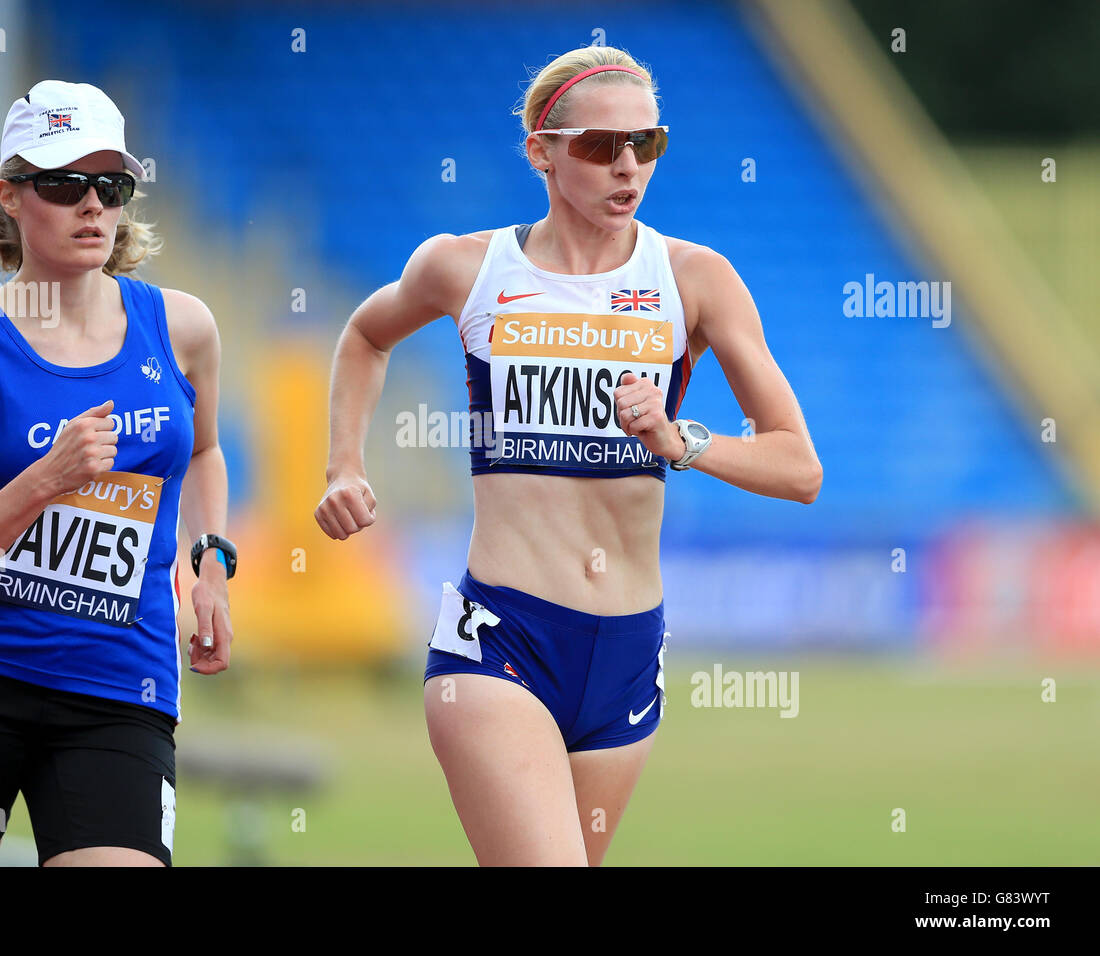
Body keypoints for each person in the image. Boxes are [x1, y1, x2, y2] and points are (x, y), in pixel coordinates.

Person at [314, 46, 822, 866]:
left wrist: (678, 440)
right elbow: (366, 334)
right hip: (501, 638)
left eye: (645, 144)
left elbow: (799, 468)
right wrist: (345, 465)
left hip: (626, 652)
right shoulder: (466, 267)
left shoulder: (695, 280)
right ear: (540, 152)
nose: (627, 168)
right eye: (598, 146)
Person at [0, 80, 236, 867]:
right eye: (62, 183)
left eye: (110, 185)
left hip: (120, 694)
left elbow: (206, 450)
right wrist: (45, 481)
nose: (91, 206)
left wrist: (209, 566)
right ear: (10, 195)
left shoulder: (182, 327)